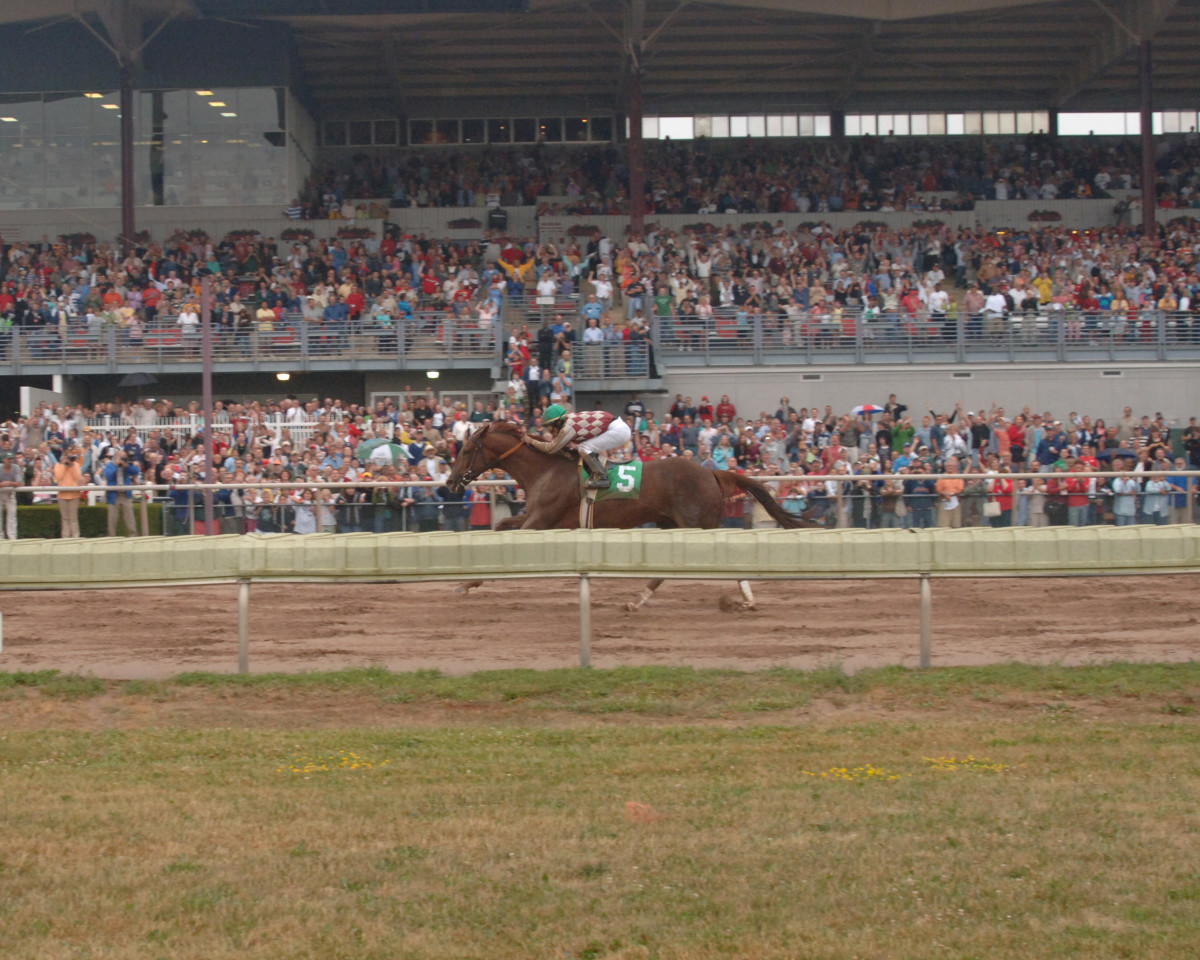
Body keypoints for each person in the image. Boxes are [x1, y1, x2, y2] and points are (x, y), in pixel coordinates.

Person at [523, 403, 631, 489]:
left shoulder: (568, 427)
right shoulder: (570, 420)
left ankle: (601, 478)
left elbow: (550, 448)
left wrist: (531, 441)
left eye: (550, 426)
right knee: (582, 447)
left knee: (583, 448)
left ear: (558, 422)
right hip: (616, 427)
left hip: (618, 431)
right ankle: (596, 473)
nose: (550, 431)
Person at [103, 451, 142, 537]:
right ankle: (111, 536)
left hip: (125, 494)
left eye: (124, 457)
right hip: (114, 495)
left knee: (129, 516)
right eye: (121, 457)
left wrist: (127, 466)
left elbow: (136, 471)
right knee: (112, 517)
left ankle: (133, 534)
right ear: (116, 457)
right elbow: (108, 476)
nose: (123, 459)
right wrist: (116, 466)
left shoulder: (126, 465)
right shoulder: (110, 465)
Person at [52, 448, 85, 538]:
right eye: (67, 456)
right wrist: (64, 465)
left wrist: (71, 465)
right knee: (65, 518)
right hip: (62, 495)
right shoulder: (58, 465)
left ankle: (75, 536)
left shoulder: (76, 465)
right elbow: (58, 477)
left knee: (73, 518)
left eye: (70, 456)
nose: (68, 458)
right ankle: (65, 537)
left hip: (74, 495)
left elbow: (77, 477)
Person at [0, 452, 21, 539]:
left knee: (12, 515)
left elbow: (19, 483)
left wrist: (7, 483)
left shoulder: (16, 467)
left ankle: (12, 537)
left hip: (10, 493)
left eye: (11, 459)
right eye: (8, 459)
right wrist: (3, 484)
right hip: (0, 493)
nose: (10, 461)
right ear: (4, 459)